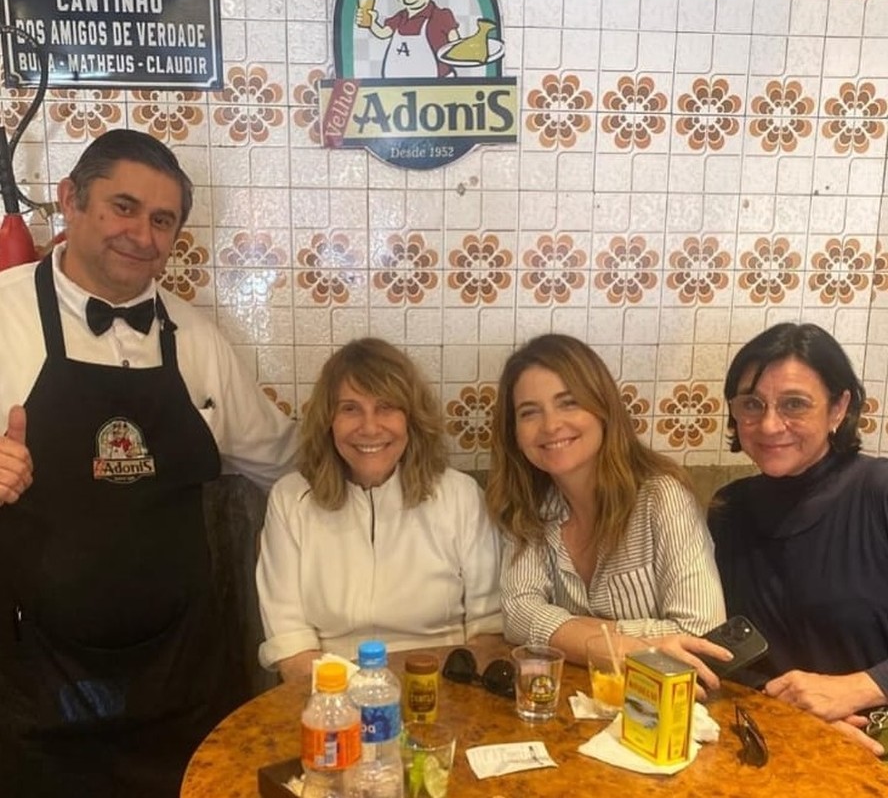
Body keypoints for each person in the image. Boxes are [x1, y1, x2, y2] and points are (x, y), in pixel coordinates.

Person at [0, 129, 299, 797]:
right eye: (123, 206)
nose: (142, 233)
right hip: (40, 684)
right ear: (70, 199)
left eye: (162, 220)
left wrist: (395, 467)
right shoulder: (2, 314)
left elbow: (284, 462)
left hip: (183, 677)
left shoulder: (197, 339)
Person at [486, 334, 729, 689]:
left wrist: (579, 633)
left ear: (602, 408)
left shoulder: (662, 496)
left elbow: (700, 633)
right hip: (574, 706)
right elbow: (518, 614)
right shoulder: (528, 504)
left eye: (568, 403)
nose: (551, 425)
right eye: (529, 412)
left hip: (661, 707)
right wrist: (624, 647)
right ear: (514, 431)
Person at [257, 337, 502, 680]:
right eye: (350, 408)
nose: (370, 427)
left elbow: (489, 633)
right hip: (331, 696)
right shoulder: (289, 500)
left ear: (412, 418)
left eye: (386, 407)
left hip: (442, 687)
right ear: (328, 420)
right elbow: (291, 647)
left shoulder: (461, 496)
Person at [710, 322, 888, 756]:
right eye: (752, 404)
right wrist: (788, 707)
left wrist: (861, 688)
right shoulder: (728, 510)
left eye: (794, 404)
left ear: (838, 408)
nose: (770, 425)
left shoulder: (879, 490)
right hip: (778, 741)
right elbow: (724, 646)